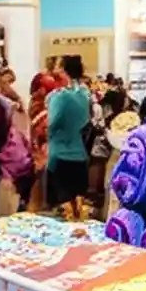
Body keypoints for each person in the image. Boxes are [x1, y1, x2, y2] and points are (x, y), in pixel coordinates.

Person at [46, 55, 92, 220]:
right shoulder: (85, 94)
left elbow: (51, 124)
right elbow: (86, 120)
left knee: (62, 210)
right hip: (79, 154)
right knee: (79, 208)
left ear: (63, 69)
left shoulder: (59, 97)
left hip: (60, 155)